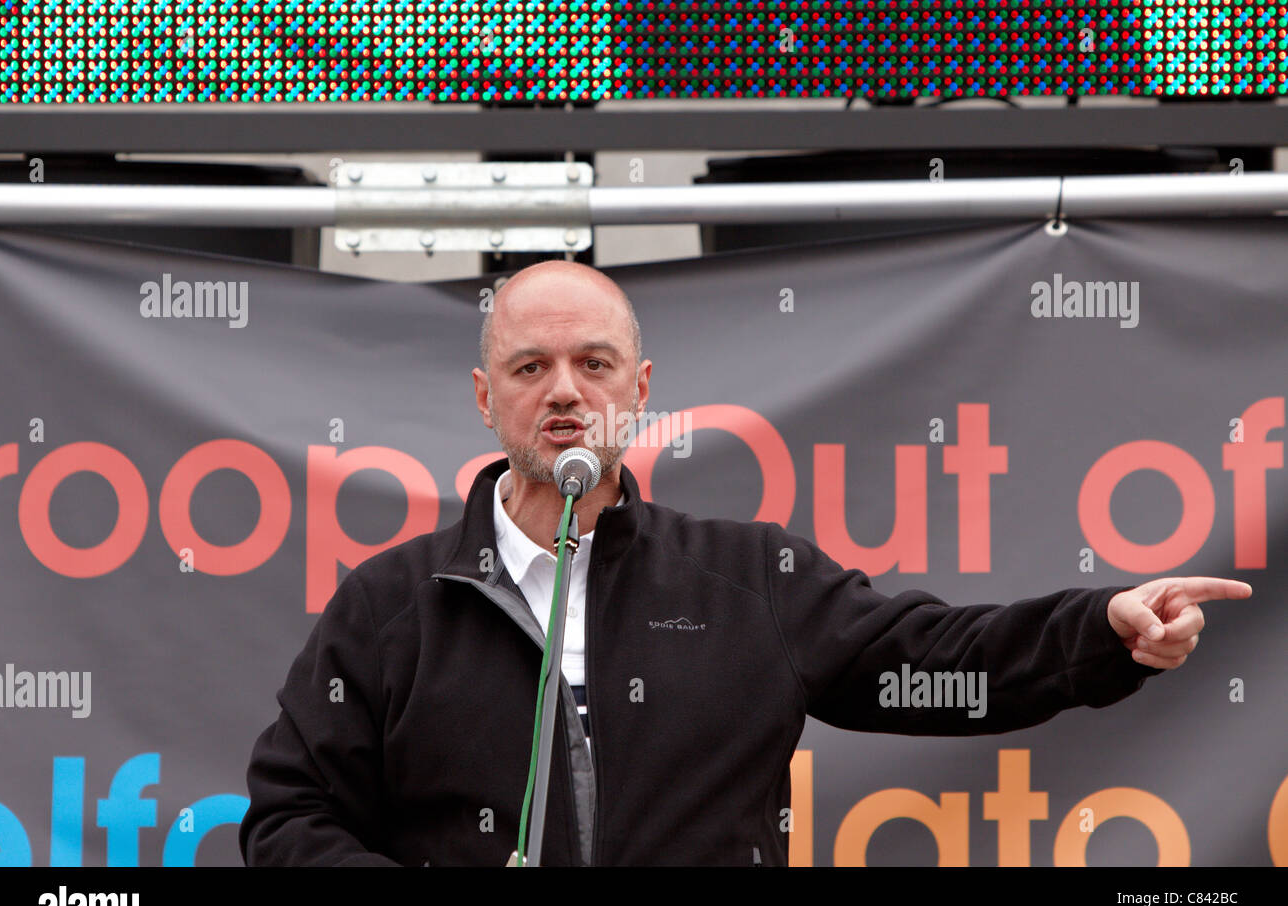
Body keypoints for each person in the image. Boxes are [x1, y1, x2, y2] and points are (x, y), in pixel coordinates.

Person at [238, 259, 1252, 866]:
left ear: (639, 387)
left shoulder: (746, 579)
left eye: (592, 364)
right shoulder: (389, 605)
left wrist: (1101, 626)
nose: (563, 390)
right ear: (482, 396)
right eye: (528, 366)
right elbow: (288, 815)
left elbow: (939, 661)